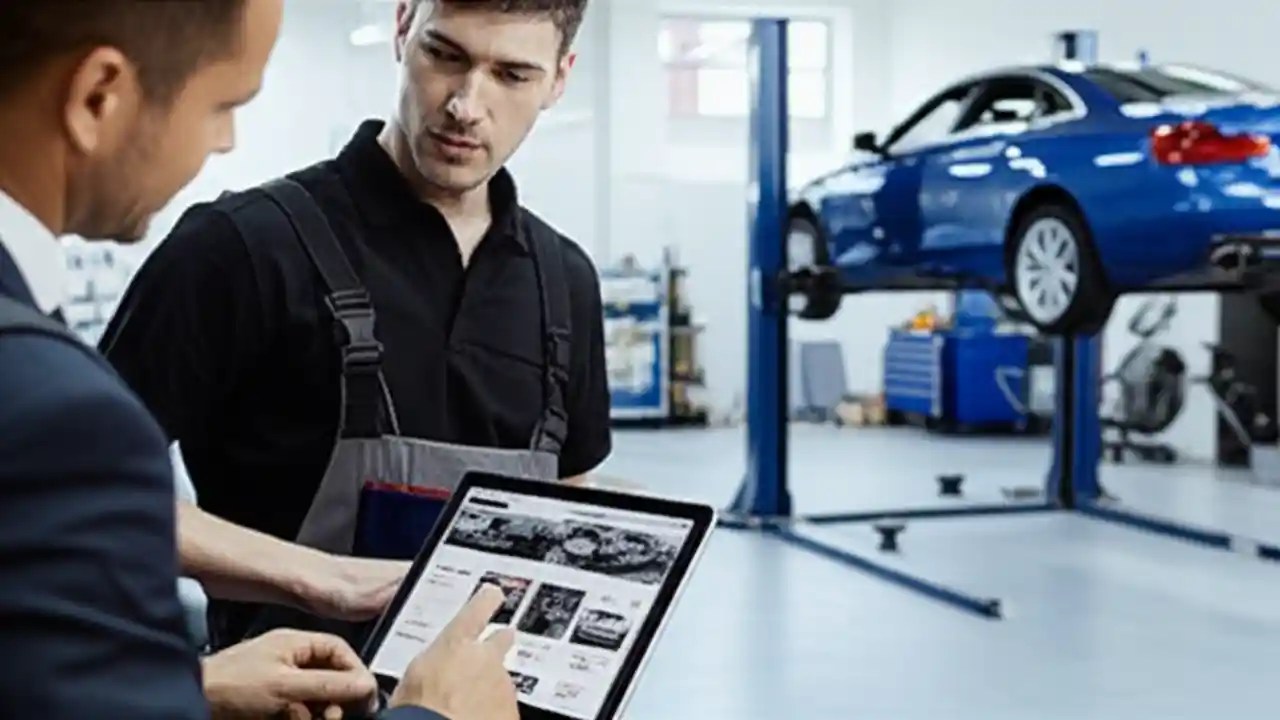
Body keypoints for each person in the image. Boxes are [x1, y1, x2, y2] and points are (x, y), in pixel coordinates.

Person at [0, 1, 518, 718]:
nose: (225, 140)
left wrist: (191, 686)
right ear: (98, 98)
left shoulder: (563, 278)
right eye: (223, 105)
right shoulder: (58, 408)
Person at [99, 0, 610, 647]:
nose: (465, 105)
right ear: (403, 28)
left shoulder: (566, 283)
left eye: (512, 75)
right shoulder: (241, 248)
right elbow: (80, 490)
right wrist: (323, 579)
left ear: (560, 77)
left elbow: (567, 508)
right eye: (444, 55)